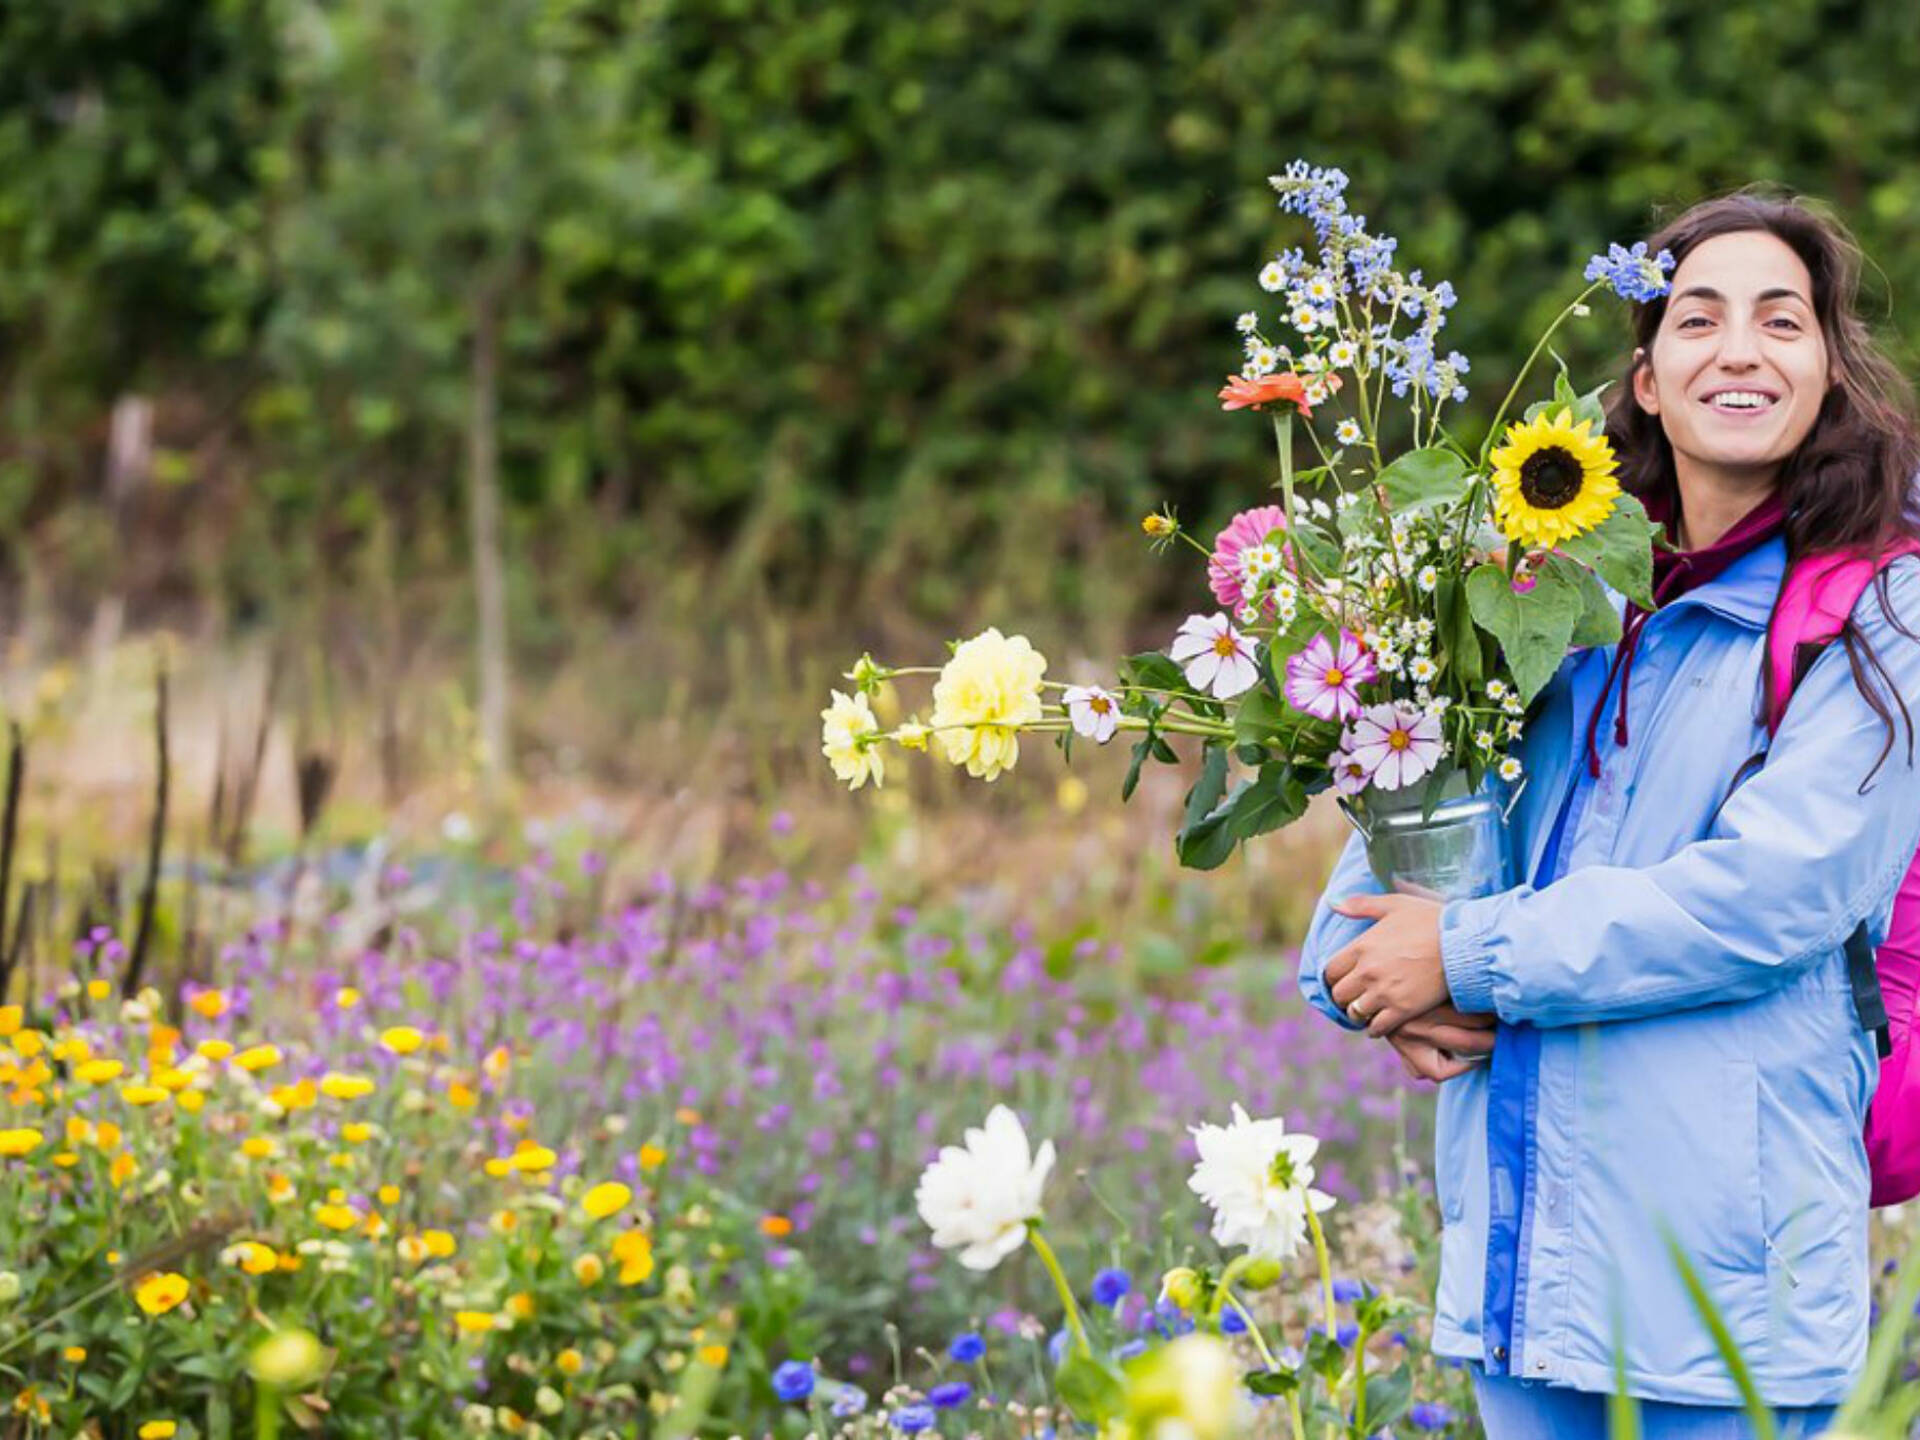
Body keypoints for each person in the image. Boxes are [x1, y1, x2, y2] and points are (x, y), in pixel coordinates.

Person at [1296, 189, 1920, 1439]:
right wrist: (1360, 978)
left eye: (1781, 321)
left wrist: (1464, 958)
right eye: (1699, 319)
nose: (1740, 350)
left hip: (1727, 1310)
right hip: (1524, 1289)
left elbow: (1771, 899)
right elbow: (1409, 831)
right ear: (1645, 380)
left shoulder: (1879, 613)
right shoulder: (1548, 604)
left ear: (1826, 372)